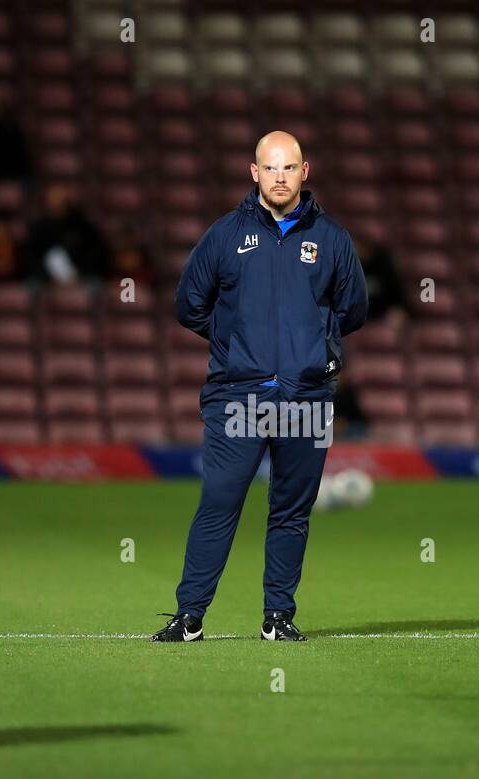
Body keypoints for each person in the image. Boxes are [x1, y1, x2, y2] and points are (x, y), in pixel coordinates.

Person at [151, 131, 368, 642]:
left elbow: (354, 308)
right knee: (220, 502)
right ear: (254, 173)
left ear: (304, 172)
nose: (279, 177)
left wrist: (319, 350)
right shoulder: (225, 235)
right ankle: (189, 617)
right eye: (270, 168)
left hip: (306, 398)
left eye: (288, 168)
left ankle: (278, 617)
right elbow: (189, 305)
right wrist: (235, 341)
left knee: (291, 512)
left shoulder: (333, 239)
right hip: (237, 397)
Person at [24, 181, 111, 289]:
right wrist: (48, 277)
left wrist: (79, 275)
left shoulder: (83, 226)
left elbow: (93, 254)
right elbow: (32, 257)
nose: (58, 204)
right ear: (48, 202)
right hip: (46, 278)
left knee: (96, 286)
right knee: (31, 287)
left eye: (63, 200)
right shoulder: (38, 228)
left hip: (81, 276)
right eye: (55, 200)